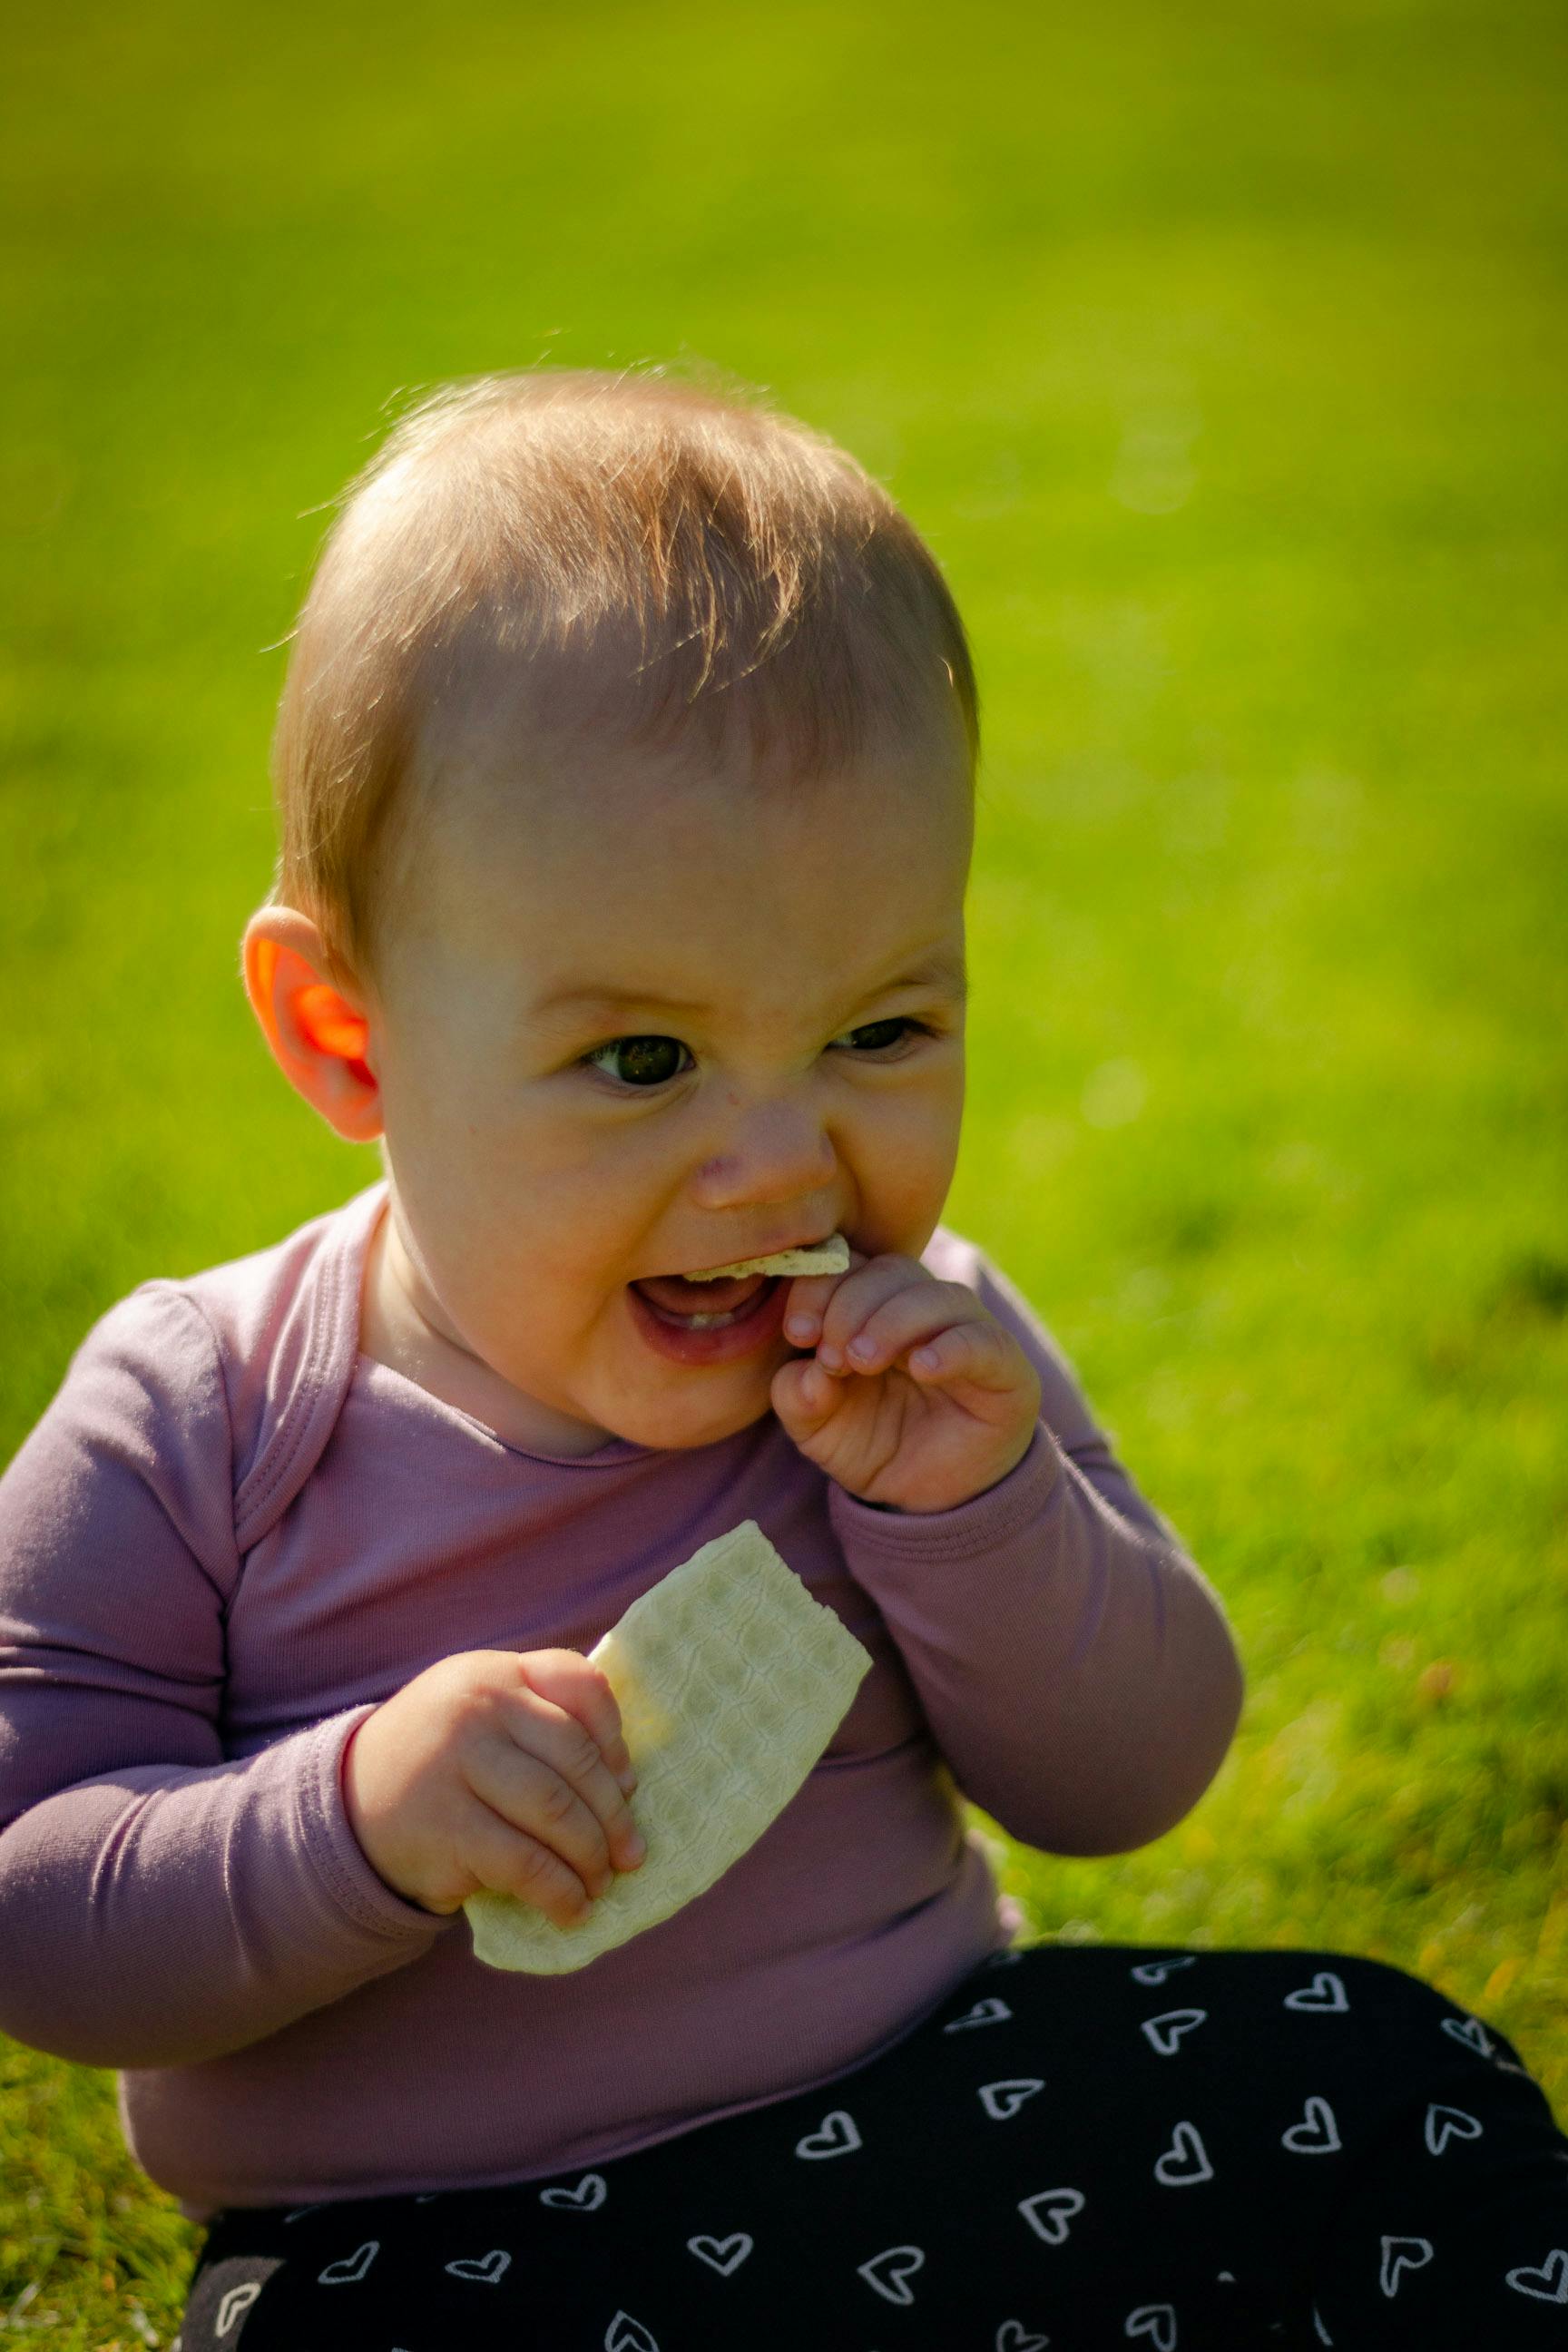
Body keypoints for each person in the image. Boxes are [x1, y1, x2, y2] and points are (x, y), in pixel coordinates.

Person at [0, 369, 1563, 2352]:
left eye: (881, 1031)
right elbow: (35, 1899)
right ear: (346, 1037)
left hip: (946, 2113)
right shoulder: (204, 1417)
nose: (779, 1162)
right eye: (641, 1061)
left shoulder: (926, 1363)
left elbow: (1132, 1776)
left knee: (1389, 2075)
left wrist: (981, 1511)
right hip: (443, 2255)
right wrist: (352, 1820)